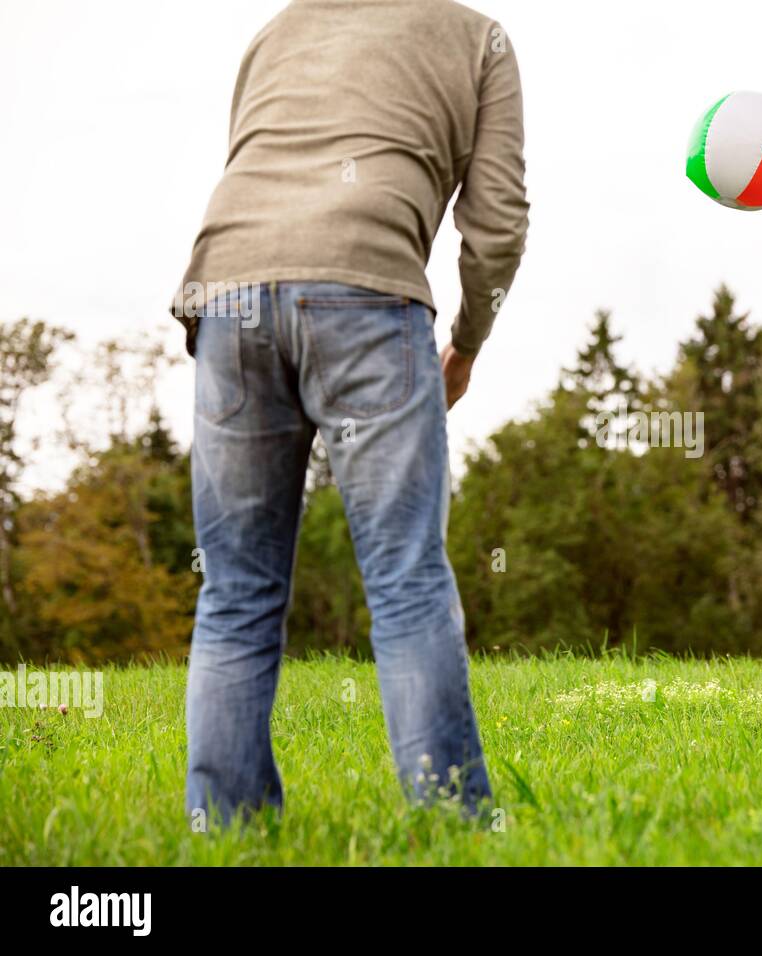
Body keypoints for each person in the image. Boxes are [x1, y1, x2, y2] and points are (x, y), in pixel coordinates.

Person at [170, 0, 529, 825]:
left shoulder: (277, 30)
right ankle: (453, 822)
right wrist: (468, 345)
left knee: (234, 591)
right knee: (406, 579)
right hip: (368, 290)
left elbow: (250, 163)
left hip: (227, 293)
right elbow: (499, 222)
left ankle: (225, 829)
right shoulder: (480, 37)